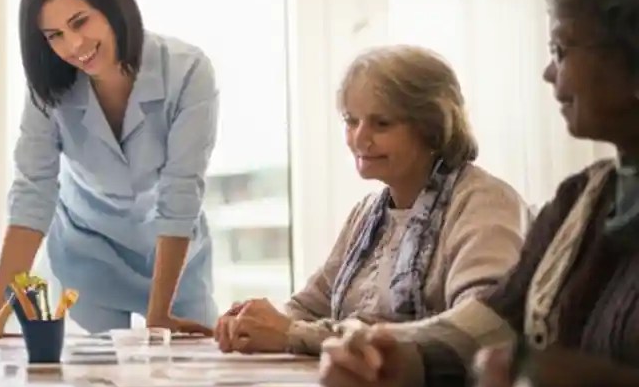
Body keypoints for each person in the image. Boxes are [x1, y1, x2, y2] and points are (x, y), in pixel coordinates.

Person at [319, 0, 639, 387]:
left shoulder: (486, 199)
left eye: (561, 48)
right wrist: (402, 359)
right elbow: (493, 322)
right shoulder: (581, 200)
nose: (546, 72)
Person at [0, 0, 219, 337]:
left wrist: (159, 317)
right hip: (88, 252)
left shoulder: (188, 70)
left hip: (174, 255)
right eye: (55, 35)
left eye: (80, 22)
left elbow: (181, 190)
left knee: (184, 375)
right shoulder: (50, 87)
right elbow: (32, 194)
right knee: (94, 384)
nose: (74, 45)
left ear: (112, 7)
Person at [213, 46, 526, 355]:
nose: (359, 138)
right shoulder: (367, 213)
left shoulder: (484, 203)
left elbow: (481, 331)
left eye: (382, 124)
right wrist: (252, 322)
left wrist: (293, 334)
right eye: (351, 121)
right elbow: (307, 309)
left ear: (433, 127)